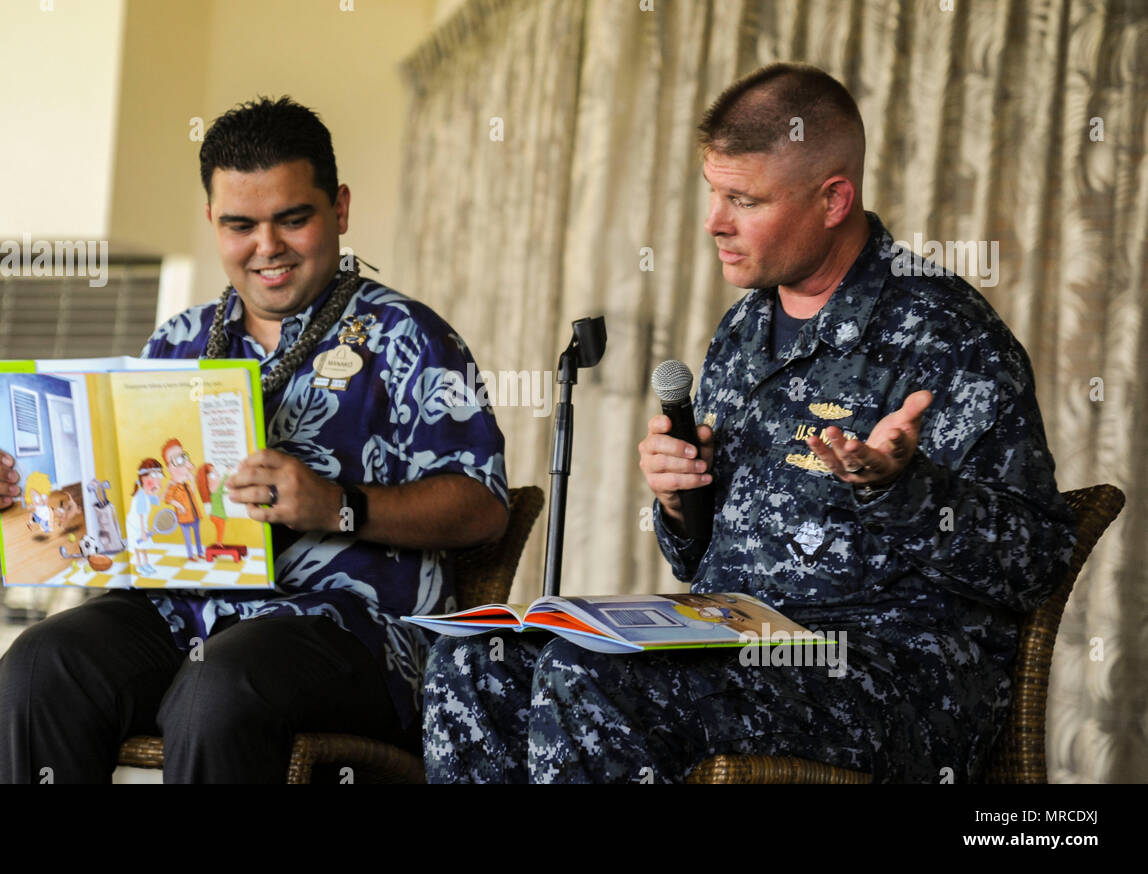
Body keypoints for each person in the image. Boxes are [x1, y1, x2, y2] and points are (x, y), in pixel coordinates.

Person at [422, 63, 1077, 784]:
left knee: (589, 676)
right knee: (472, 662)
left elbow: (1039, 558)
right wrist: (679, 501)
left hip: (893, 674)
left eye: (744, 199)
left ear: (833, 199)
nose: (715, 221)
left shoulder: (947, 334)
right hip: (735, 640)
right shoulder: (743, 330)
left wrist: (904, 491)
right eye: (714, 192)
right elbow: (700, 558)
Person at [0, 96, 509, 783]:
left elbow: (483, 507)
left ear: (340, 209)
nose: (267, 246)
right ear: (212, 223)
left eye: (293, 218)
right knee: (37, 665)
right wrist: (23, 498)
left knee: (219, 688)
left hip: (351, 631)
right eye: (240, 225)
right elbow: (124, 507)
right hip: (180, 612)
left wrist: (337, 505)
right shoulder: (178, 340)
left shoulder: (410, 337)